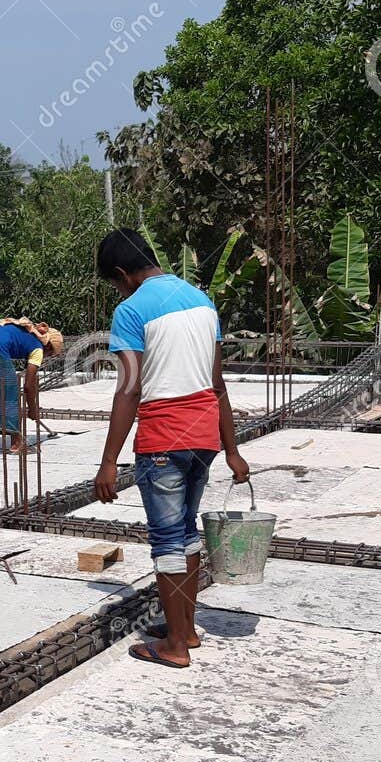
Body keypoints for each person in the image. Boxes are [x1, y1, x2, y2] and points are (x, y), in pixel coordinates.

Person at [92, 228, 250, 669]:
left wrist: (108, 461)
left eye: (115, 282)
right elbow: (217, 384)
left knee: (166, 540)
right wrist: (232, 449)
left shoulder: (130, 310)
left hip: (162, 439)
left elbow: (129, 389)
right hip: (204, 438)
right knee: (186, 534)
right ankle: (188, 627)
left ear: (123, 274)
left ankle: (176, 646)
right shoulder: (202, 300)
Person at [0, 317, 64, 452]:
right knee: (10, 391)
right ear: (48, 346)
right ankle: (16, 443)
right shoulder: (38, 349)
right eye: (50, 353)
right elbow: (28, 386)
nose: (47, 356)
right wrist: (32, 409)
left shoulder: (27, 332)